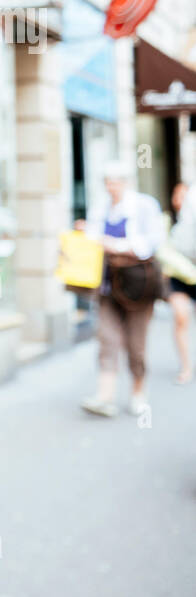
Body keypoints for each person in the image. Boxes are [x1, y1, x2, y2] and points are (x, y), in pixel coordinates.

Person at [80, 162, 165, 418]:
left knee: (136, 344)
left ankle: (138, 391)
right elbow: (92, 241)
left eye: (114, 181)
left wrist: (114, 245)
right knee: (107, 339)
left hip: (138, 287)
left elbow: (150, 244)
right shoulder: (101, 207)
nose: (110, 187)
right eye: (107, 181)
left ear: (126, 182)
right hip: (108, 286)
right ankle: (105, 396)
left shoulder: (144, 206)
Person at [160, 182, 196, 384]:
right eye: (177, 194)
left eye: (184, 195)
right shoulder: (168, 220)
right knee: (181, 317)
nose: (179, 199)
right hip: (179, 277)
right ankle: (186, 366)